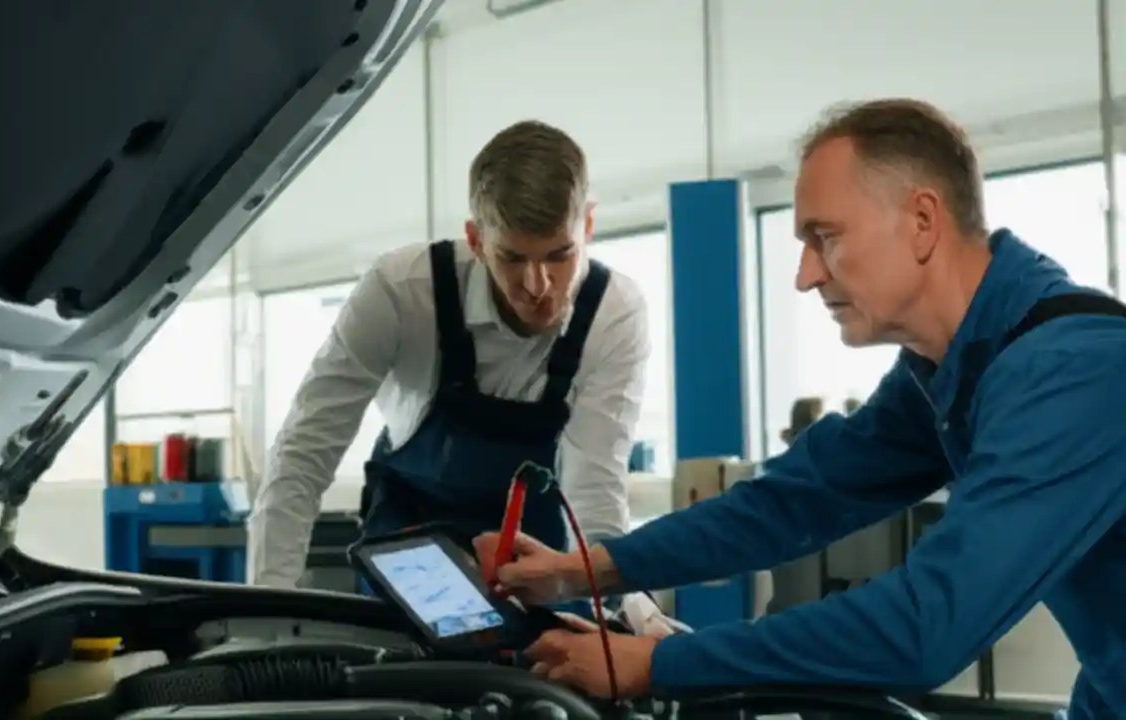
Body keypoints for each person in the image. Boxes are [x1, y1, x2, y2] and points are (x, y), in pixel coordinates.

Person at [475, 99, 1126, 718]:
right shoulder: (954, 368)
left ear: (923, 221)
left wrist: (658, 663)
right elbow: (790, 502)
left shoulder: (1070, 372)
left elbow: (928, 625)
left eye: (825, 237)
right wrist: (579, 573)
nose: (805, 274)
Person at [247, 119, 651, 593]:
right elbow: (304, 453)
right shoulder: (402, 292)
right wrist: (268, 609)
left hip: (536, 558)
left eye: (560, 255)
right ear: (477, 240)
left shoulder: (613, 314)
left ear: (587, 225)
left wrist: (622, 619)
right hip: (413, 547)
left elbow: (595, 489)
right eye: (514, 258)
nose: (538, 286)